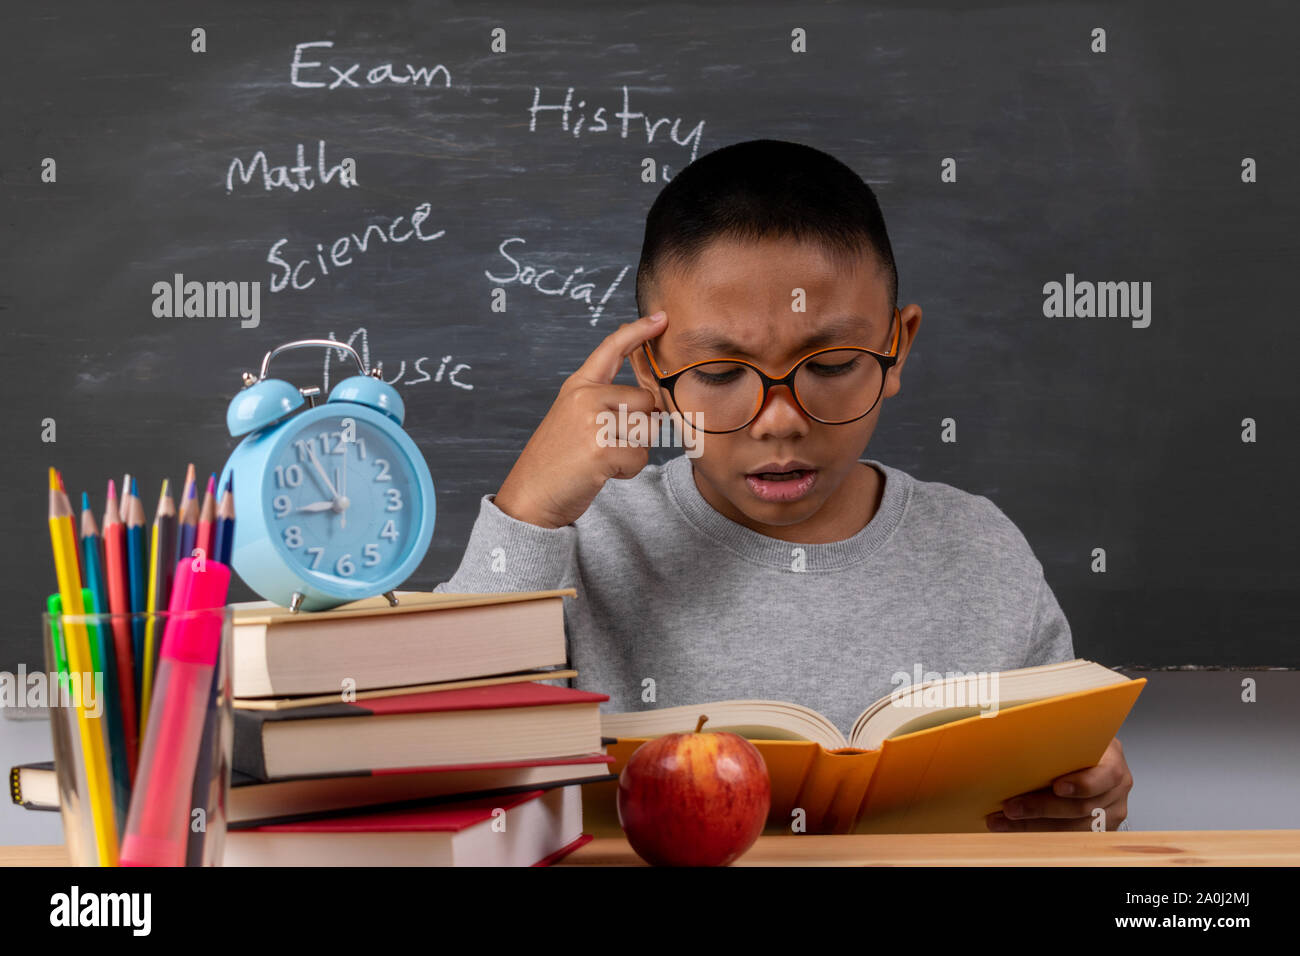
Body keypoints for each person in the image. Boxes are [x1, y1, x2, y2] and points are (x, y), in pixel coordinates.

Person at [434, 138, 1132, 831]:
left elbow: (1058, 801)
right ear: (649, 370)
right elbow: (438, 766)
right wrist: (528, 507)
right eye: (718, 374)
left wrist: (1082, 801)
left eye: (830, 366)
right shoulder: (579, 543)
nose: (779, 420)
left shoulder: (981, 551)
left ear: (898, 348)